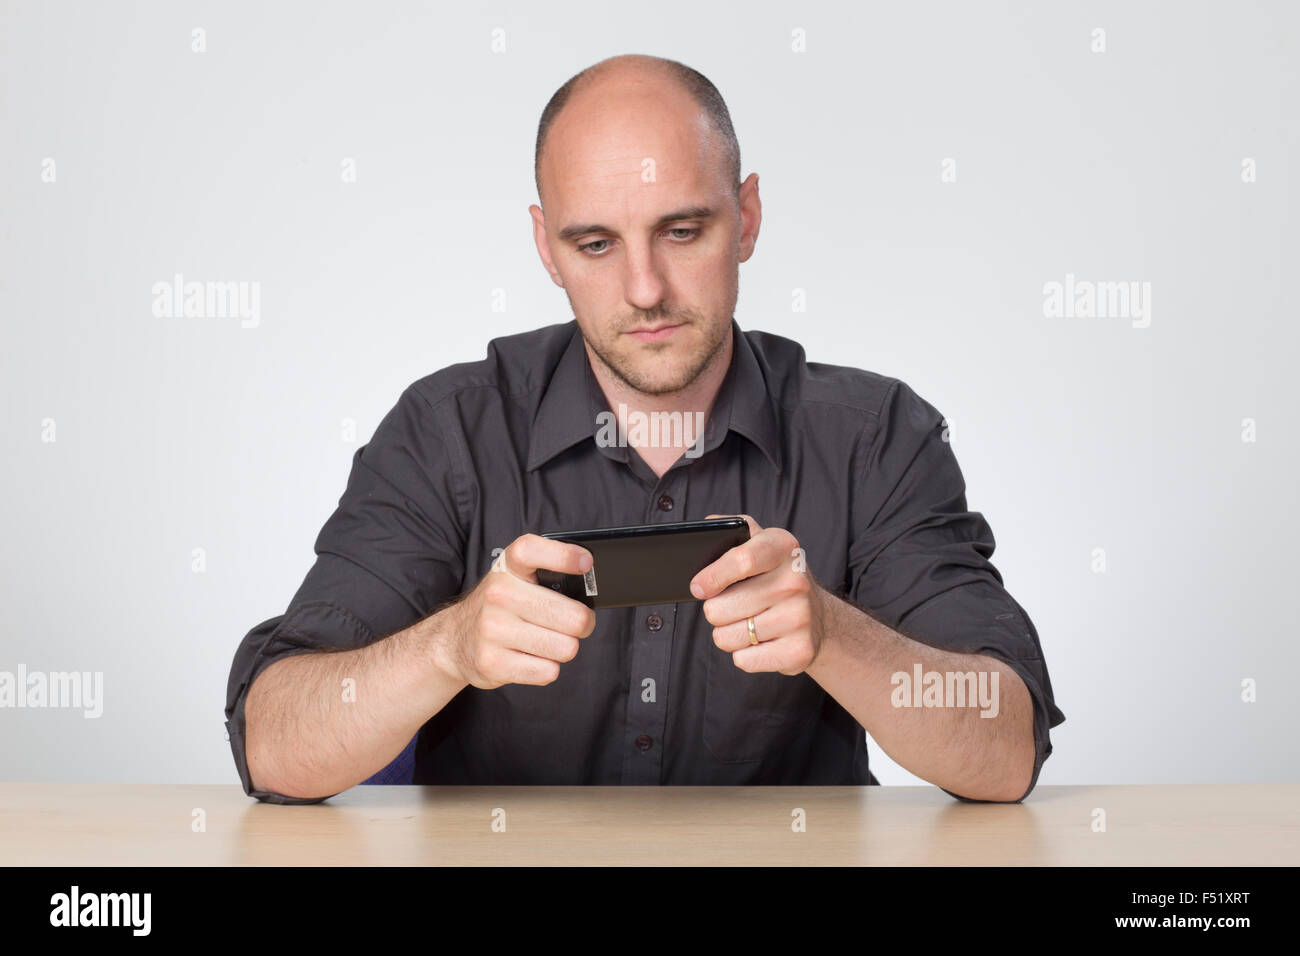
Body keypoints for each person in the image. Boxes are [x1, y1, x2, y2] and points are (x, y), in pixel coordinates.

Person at [225, 53, 1065, 805]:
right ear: (545, 250)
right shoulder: (448, 430)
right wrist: (447, 648)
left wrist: (836, 635)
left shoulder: (872, 437)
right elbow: (274, 744)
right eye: (594, 244)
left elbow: (1003, 747)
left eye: (683, 230)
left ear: (749, 217)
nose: (644, 289)